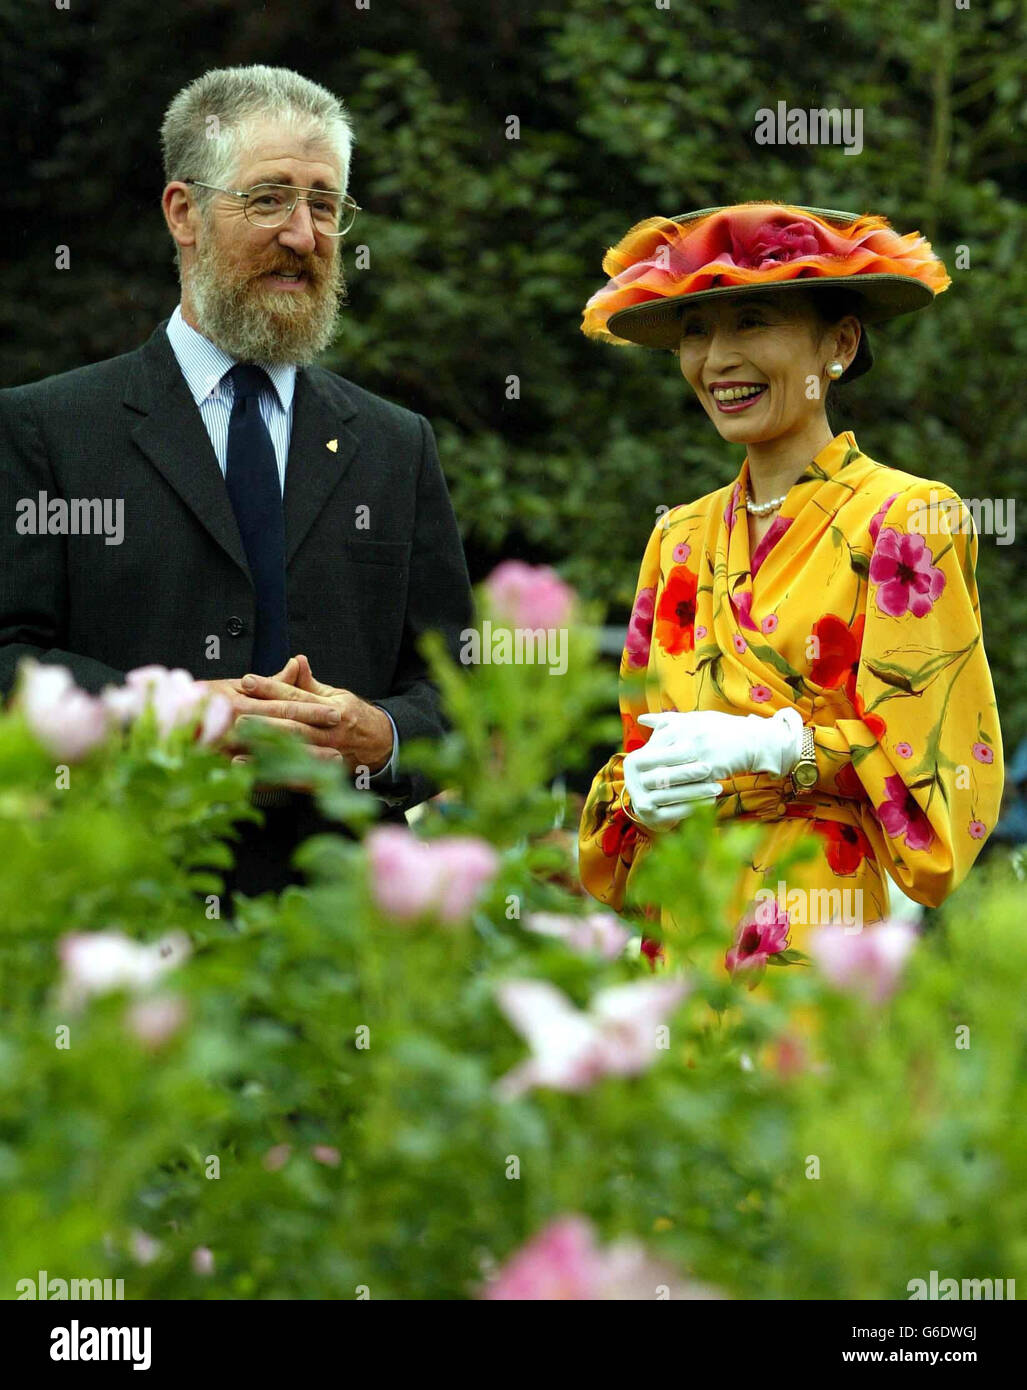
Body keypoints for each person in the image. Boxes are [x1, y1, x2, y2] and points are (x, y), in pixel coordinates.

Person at [0, 65, 473, 896]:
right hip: (114, 913)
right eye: (268, 199)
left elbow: (460, 692)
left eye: (324, 205)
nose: (303, 235)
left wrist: (382, 735)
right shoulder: (47, 429)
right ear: (182, 212)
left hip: (340, 931)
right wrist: (167, 714)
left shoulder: (397, 446)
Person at [577, 201, 1003, 985]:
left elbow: (937, 777)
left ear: (837, 344)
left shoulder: (907, 516)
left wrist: (782, 750)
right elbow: (640, 752)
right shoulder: (676, 536)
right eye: (694, 332)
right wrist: (631, 793)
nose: (714, 360)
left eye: (752, 321)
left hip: (814, 926)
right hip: (676, 925)